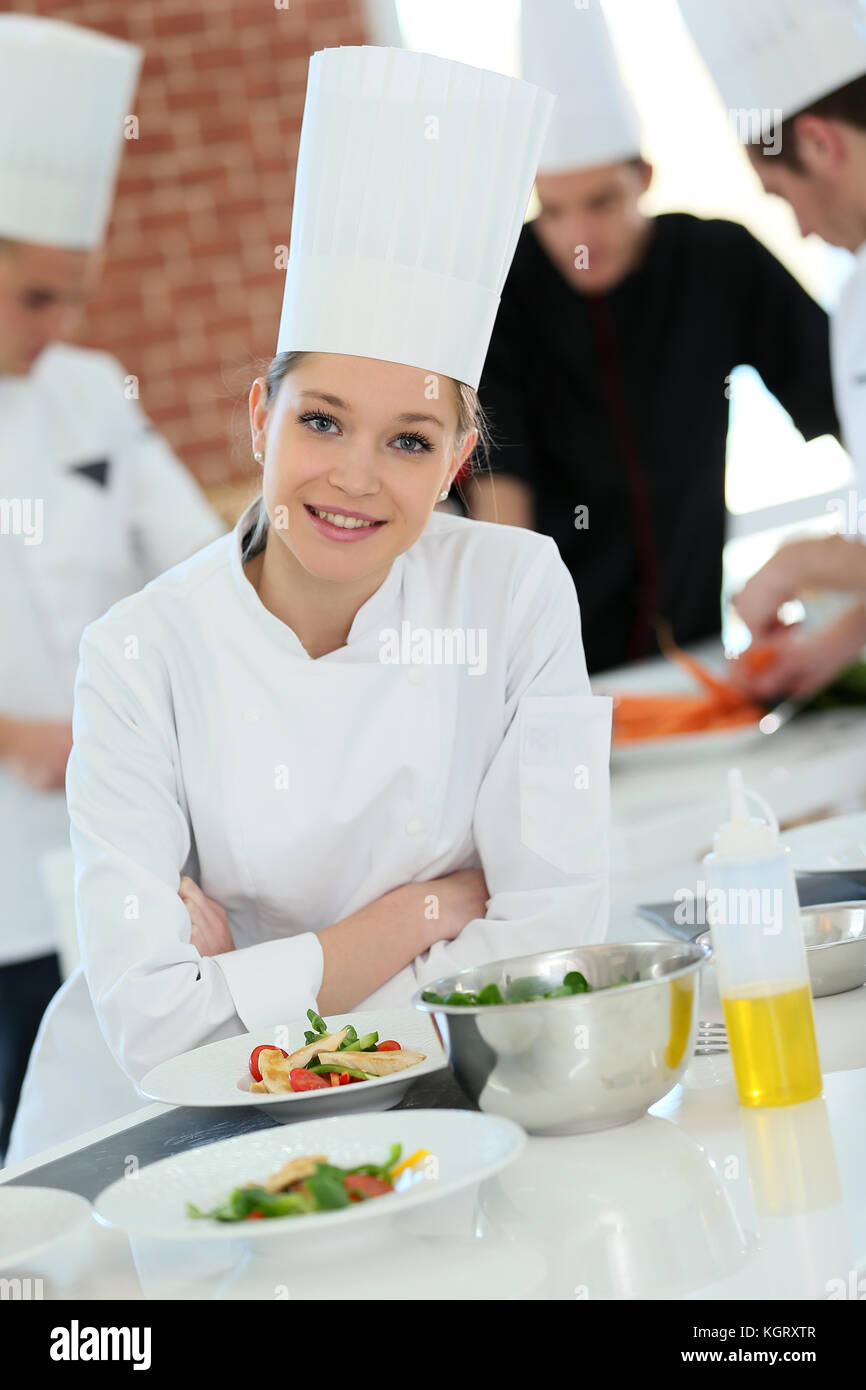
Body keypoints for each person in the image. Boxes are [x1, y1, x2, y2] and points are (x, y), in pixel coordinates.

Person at [6, 44, 612, 1163]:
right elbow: (150, 1024)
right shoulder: (139, 652)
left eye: (410, 441)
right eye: (320, 420)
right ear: (258, 419)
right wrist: (425, 911)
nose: (353, 476)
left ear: (457, 461)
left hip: (465, 1113)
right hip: (189, 1144)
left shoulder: (516, 588)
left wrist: (248, 979)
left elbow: (548, 936)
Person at [0, 16, 224, 1159]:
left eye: (72, 298)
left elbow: (204, 565)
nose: (64, 327)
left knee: (142, 1139)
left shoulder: (89, 394)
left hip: (125, 863)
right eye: (38, 299)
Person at [467, 0, 839, 674]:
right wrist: (516, 668)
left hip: (695, 652)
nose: (579, 238)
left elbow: (843, 398)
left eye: (602, 202)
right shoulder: (498, 289)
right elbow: (500, 495)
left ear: (644, 177)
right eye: (553, 210)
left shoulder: (719, 260)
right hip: (557, 663)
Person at [680, 0, 866, 700]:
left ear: (820, 143)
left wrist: (799, 560)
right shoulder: (855, 302)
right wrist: (828, 649)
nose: (805, 229)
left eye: (785, 195)